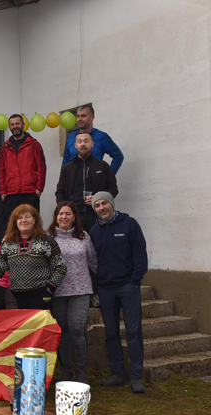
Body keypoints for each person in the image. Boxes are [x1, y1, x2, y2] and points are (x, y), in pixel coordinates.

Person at [90, 192, 148, 394]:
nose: (101, 207)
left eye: (104, 203)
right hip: (106, 288)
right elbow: (92, 259)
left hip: (127, 286)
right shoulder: (95, 230)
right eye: (97, 205)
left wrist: (135, 281)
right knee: (111, 333)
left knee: (133, 332)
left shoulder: (129, 224)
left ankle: (136, 376)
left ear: (111, 204)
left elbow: (140, 254)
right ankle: (117, 374)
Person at [47, 201, 97, 384]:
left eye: (68, 214)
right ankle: (66, 369)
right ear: (56, 217)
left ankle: (81, 369)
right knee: (63, 331)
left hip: (80, 290)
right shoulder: (48, 238)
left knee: (76, 328)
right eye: (61, 214)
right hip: (58, 291)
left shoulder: (83, 237)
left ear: (74, 217)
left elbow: (93, 261)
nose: (64, 217)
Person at [0, 204, 67, 309]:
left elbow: (61, 267)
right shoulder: (7, 244)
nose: (24, 220)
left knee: (40, 326)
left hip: (41, 295)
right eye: (20, 218)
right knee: (21, 325)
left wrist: (50, 288)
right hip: (16, 297)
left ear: (34, 220)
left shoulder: (47, 241)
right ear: (15, 222)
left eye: (27, 217)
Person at [55, 131, 118, 231]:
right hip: (74, 215)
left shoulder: (102, 166)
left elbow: (113, 189)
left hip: (95, 215)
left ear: (92, 144)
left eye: (86, 141)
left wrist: (98, 197)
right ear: (75, 145)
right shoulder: (67, 168)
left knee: (96, 244)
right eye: (79, 142)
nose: (83, 144)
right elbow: (60, 191)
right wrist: (66, 208)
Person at [0, 114, 47, 226]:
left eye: (17, 124)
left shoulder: (34, 144)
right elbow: (1, 170)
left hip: (30, 193)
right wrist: (3, 191)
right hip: (11, 194)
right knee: (12, 225)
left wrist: (39, 189)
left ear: (23, 125)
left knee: (32, 225)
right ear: (9, 127)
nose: (15, 126)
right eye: (12, 124)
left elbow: (41, 167)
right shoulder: (5, 147)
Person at [62, 105, 124, 174]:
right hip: (73, 182)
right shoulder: (71, 137)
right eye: (78, 116)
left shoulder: (101, 136)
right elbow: (65, 162)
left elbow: (118, 157)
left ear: (92, 118)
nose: (79, 119)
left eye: (83, 116)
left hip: (95, 181)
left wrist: (108, 177)